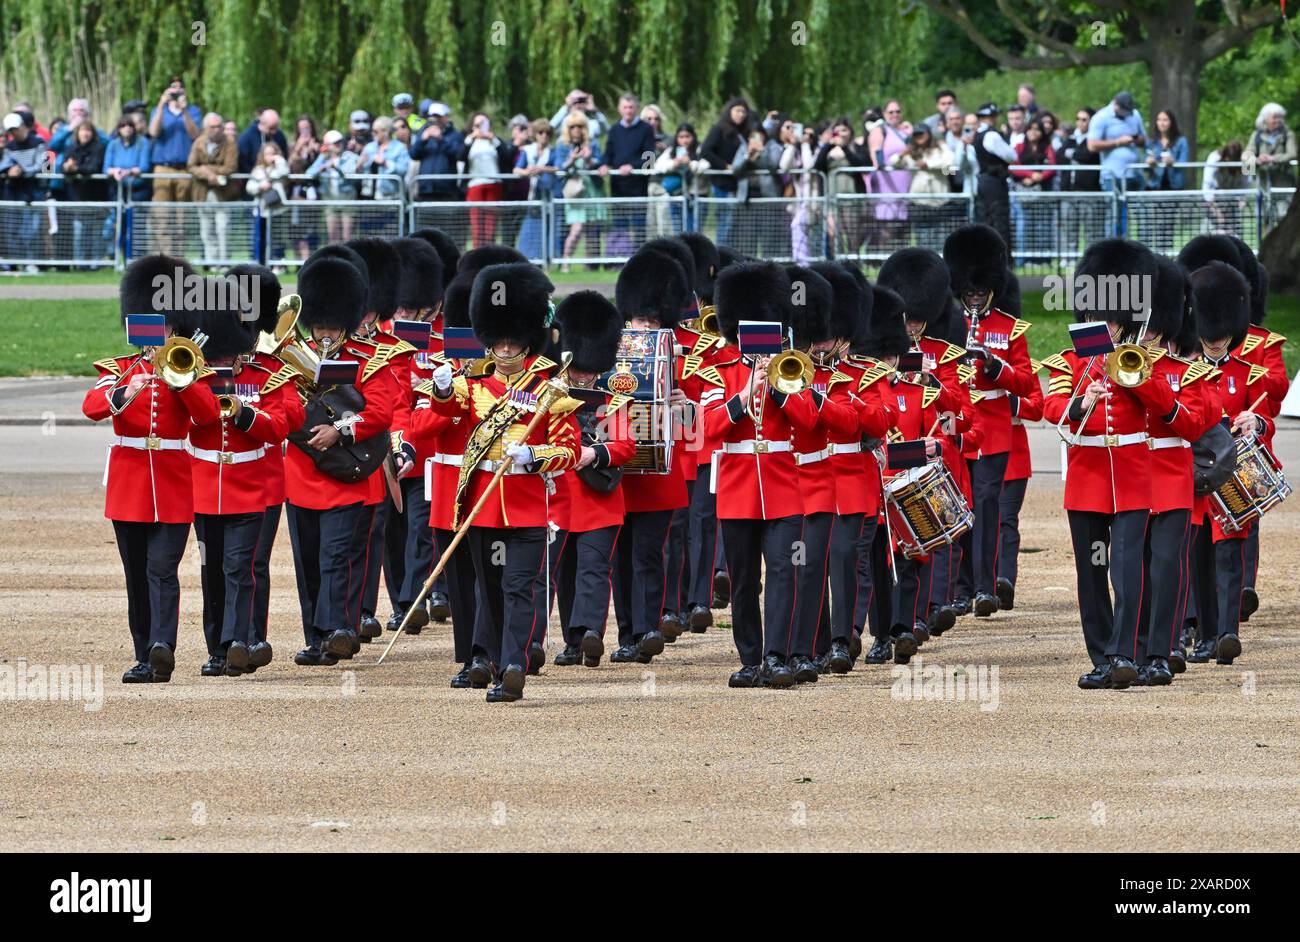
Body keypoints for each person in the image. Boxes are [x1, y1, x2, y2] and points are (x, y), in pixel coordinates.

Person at [425, 263, 582, 702]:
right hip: (483, 504)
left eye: (513, 339)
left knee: (518, 586)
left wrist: (535, 457)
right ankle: (491, 661)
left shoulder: (551, 383)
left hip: (527, 500)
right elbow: (442, 419)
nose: (506, 347)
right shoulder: (472, 382)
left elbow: (569, 449)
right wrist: (439, 391)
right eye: (499, 339)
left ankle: (514, 664)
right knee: (489, 589)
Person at [1041, 240, 1179, 689]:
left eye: (1117, 319)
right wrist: (1083, 400)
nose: (1110, 325)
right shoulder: (1072, 360)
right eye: (1102, 316)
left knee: (1127, 569)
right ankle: (1102, 657)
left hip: (1134, 475)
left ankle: (1128, 653)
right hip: (1088, 478)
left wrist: (1131, 378)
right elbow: (1051, 406)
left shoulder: (1144, 361)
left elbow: (1165, 405)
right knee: (1092, 572)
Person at [81, 255, 219, 683]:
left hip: (175, 480)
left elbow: (209, 417)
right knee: (136, 574)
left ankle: (163, 647)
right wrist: (127, 388)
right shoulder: (118, 370)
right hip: (130, 483)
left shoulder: (188, 368)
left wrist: (184, 380)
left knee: (163, 569)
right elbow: (91, 408)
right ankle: (144, 653)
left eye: (165, 327)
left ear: (175, 328)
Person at [700, 261, 818, 688]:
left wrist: (778, 389)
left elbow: (807, 422)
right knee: (744, 578)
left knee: (785, 571)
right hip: (737, 486)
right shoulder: (718, 370)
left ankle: (778, 656)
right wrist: (744, 394)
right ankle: (750, 659)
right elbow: (710, 427)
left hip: (783, 484)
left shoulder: (791, 366)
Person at [283, 251, 401, 666]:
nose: (326, 334)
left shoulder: (370, 360)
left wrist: (341, 429)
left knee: (337, 558)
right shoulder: (292, 358)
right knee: (309, 562)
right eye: (319, 326)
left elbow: (383, 412)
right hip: (302, 475)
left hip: (347, 476)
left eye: (333, 327)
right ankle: (316, 637)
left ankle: (338, 628)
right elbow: (280, 405)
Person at [190, 282, 299, 676]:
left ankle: (240, 640)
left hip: (250, 485)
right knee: (212, 570)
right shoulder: (196, 374)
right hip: (205, 486)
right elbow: (190, 419)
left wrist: (243, 413)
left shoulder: (267, 374)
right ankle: (217, 649)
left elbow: (283, 424)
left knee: (241, 567)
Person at [943, 225, 1036, 618]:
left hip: (995, 426)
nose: (975, 298)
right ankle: (962, 588)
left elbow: (1027, 382)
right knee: (959, 507)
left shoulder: (1008, 329)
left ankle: (985, 587)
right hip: (958, 426)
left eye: (981, 292)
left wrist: (996, 367)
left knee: (986, 506)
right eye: (970, 292)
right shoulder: (947, 325)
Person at [544, 290, 636, 667]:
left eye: (588, 367)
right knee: (563, 572)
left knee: (594, 566)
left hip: (599, 495)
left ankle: (591, 633)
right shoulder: (547, 396)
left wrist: (593, 453)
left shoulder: (613, 399)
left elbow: (626, 445)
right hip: (560, 495)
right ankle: (571, 640)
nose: (583, 373)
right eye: (577, 366)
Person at [1184, 260, 1267, 667]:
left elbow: (1265, 420)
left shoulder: (1247, 373)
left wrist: (1256, 421)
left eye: (1222, 335)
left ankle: (1228, 631)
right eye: (1210, 335)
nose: (1216, 342)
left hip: (1234, 476)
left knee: (1231, 555)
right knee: (1199, 555)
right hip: (1199, 474)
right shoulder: (1184, 371)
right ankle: (1205, 633)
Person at [1088, 91, 1147, 234]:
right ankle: (1115, 251)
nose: (1127, 114)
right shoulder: (1101, 118)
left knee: (1143, 215)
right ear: (1116, 105)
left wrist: (1135, 139)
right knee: (1115, 217)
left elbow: (1145, 140)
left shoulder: (1135, 115)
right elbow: (1092, 145)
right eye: (1124, 110)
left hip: (1134, 174)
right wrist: (1117, 142)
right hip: (1113, 177)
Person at [889, 124, 954, 252]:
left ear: (929, 134)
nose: (919, 137)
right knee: (923, 241)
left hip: (940, 201)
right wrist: (902, 154)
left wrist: (928, 165)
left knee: (942, 240)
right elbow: (894, 164)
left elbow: (950, 167)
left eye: (922, 133)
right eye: (916, 134)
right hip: (919, 202)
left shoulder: (940, 149)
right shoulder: (911, 153)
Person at [187, 112, 240, 264]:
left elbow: (230, 167)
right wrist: (207, 175)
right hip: (202, 193)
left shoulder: (229, 143)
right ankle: (212, 263)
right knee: (206, 230)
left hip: (223, 193)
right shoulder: (199, 142)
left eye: (218, 126)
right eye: (212, 127)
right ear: (205, 128)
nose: (216, 130)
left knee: (223, 228)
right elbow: (191, 165)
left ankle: (224, 263)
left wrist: (206, 169)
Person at [554, 111, 604, 269]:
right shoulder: (563, 145)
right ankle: (565, 261)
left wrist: (589, 159)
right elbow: (560, 168)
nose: (576, 130)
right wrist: (572, 159)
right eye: (572, 127)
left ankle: (591, 265)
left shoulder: (593, 144)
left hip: (591, 190)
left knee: (592, 228)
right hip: (576, 192)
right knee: (576, 229)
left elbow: (599, 164)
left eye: (580, 126)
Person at [700, 98, 751, 246]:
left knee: (733, 224)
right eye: (737, 111)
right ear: (729, 112)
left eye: (743, 111)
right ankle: (722, 256)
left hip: (737, 184)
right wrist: (724, 166)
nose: (740, 114)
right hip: (723, 183)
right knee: (725, 222)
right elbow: (706, 151)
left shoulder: (743, 133)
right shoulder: (718, 129)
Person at [457, 113, 512, 245]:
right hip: (475, 185)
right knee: (477, 224)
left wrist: (493, 139)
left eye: (483, 124)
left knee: (490, 224)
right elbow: (460, 156)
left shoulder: (494, 141)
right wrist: (470, 138)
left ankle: (490, 253)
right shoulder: (469, 142)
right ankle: (478, 254)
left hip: (493, 184)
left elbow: (506, 156)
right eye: (477, 125)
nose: (480, 128)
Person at [148, 77, 202, 208]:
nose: (177, 90)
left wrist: (184, 110)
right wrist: (161, 105)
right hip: (162, 168)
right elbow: (153, 132)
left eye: (180, 87)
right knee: (162, 211)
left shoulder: (193, 111)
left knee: (181, 214)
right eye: (173, 86)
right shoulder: (158, 110)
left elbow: (195, 135)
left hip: (184, 168)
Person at [1010, 119, 1056, 266]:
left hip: (1042, 192)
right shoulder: (1019, 147)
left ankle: (1042, 259)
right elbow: (1012, 166)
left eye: (1037, 129)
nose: (1033, 132)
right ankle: (1023, 259)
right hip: (1022, 192)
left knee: (1042, 226)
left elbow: (1053, 167)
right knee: (1023, 226)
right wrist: (1029, 175)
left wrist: (1041, 176)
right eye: (1030, 129)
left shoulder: (1047, 148)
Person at [61, 120, 109, 261]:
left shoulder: (99, 148)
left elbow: (94, 167)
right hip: (77, 196)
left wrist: (76, 169)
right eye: (82, 130)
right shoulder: (71, 148)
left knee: (96, 232)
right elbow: (61, 167)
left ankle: (95, 262)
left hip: (96, 196)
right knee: (80, 231)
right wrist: (66, 168)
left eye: (88, 130)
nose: (85, 133)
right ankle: (80, 262)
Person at [970, 103, 1016, 250]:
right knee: (999, 221)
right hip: (994, 182)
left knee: (984, 221)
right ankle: (1003, 263)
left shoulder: (977, 136)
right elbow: (1011, 156)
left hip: (981, 181)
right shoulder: (992, 135)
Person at [513, 118, 558, 258]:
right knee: (531, 226)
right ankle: (528, 256)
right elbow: (516, 169)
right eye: (541, 132)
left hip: (549, 193)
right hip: (533, 195)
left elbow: (557, 167)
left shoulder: (553, 151)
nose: (544, 135)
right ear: (535, 134)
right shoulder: (528, 150)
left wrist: (542, 169)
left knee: (549, 226)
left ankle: (548, 257)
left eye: (547, 133)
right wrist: (527, 172)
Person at [306, 130, 360, 242]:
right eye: (335, 143)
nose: (338, 145)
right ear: (327, 145)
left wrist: (336, 167)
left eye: (340, 142)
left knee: (347, 237)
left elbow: (350, 173)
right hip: (330, 200)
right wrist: (322, 165)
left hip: (347, 200)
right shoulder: (323, 158)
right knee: (333, 237)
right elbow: (309, 173)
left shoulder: (349, 157)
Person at [409, 101, 465, 202]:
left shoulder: (455, 135)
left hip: (446, 190)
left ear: (446, 117)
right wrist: (422, 140)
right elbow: (413, 154)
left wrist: (441, 139)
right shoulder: (423, 132)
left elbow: (458, 154)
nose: (435, 119)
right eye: (433, 116)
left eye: (438, 116)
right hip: (425, 190)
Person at [246, 142, 290, 264]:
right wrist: (260, 186)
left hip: (277, 209)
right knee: (261, 237)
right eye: (267, 154)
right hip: (261, 210)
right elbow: (249, 187)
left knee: (277, 238)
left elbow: (284, 172)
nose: (270, 156)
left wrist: (279, 159)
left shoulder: (280, 168)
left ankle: (278, 263)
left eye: (273, 153)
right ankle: (261, 262)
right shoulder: (258, 170)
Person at [1242, 102, 1296, 191]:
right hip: (1262, 185)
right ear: (1265, 119)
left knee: (1283, 205)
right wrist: (1257, 160)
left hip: (1284, 185)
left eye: (1280, 117)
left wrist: (1272, 158)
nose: (1278, 120)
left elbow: (1292, 154)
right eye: (1274, 117)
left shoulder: (1288, 134)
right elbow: (1247, 155)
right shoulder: (1257, 135)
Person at [359, 115, 410, 200]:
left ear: (386, 131)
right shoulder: (369, 147)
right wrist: (359, 164)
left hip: (390, 197)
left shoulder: (399, 148)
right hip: (369, 195)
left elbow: (403, 169)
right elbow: (360, 170)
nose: (373, 134)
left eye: (376, 131)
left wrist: (385, 163)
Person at [105, 115, 152, 202]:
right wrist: (115, 171)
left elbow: (144, 166)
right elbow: (106, 168)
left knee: (137, 215)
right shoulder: (113, 144)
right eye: (123, 126)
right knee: (117, 214)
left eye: (130, 125)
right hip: (117, 188)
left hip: (138, 189)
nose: (127, 128)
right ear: (119, 129)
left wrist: (129, 172)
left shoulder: (143, 142)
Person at [236, 108, 289, 175]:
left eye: (276, 127)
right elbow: (243, 161)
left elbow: (285, 155)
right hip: (254, 178)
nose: (274, 132)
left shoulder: (280, 136)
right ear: (262, 124)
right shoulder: (247, 138)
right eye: (271, 128)